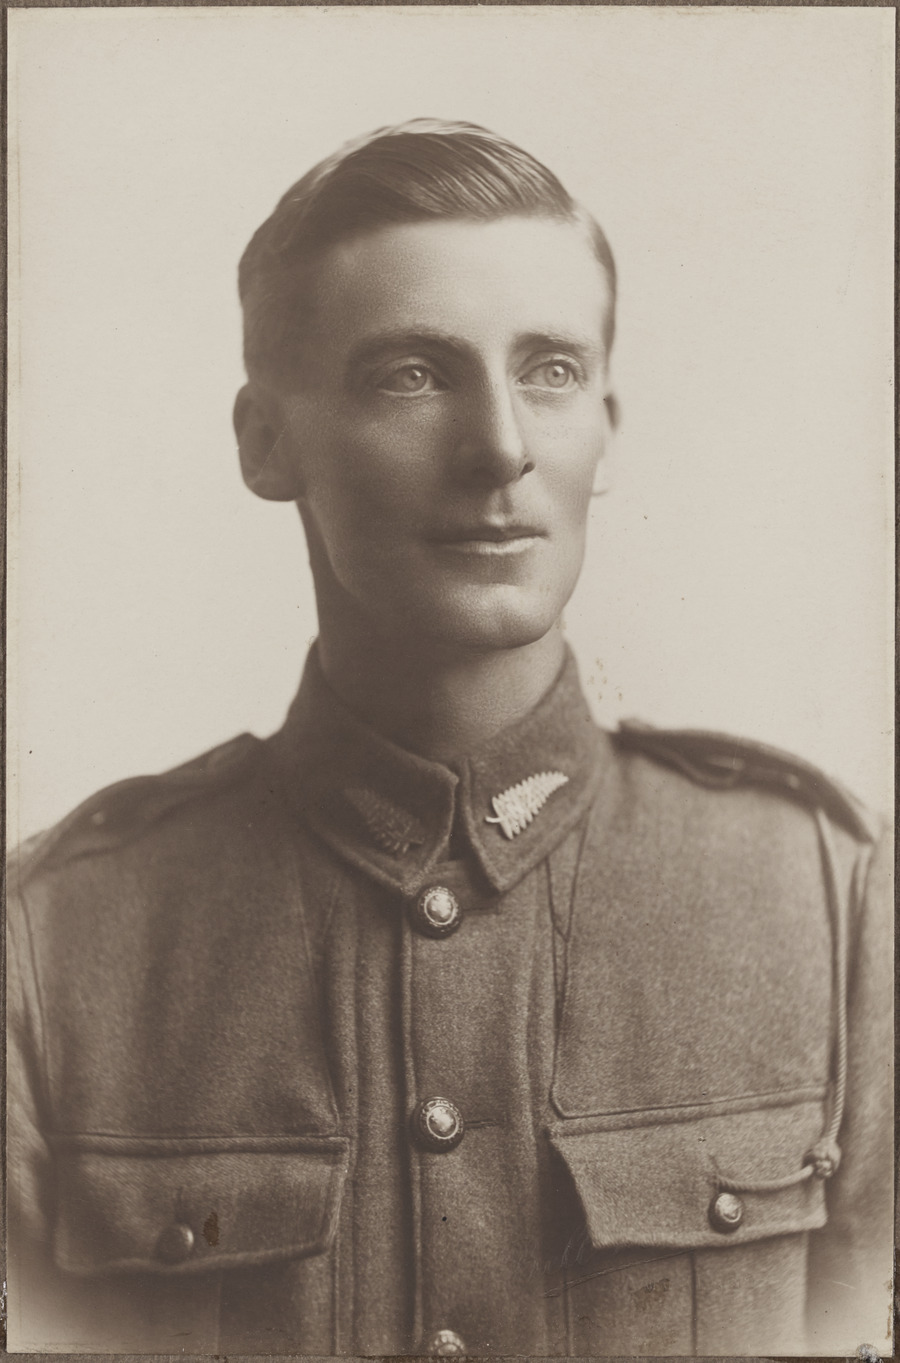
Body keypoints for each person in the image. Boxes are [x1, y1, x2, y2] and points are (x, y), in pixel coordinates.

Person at [6, 119, 892, 1357]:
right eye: (411, 375)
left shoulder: (825, 895)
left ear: (607, 428)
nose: (503, 446)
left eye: (550, 371)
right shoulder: (61, 936)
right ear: (266, 440)